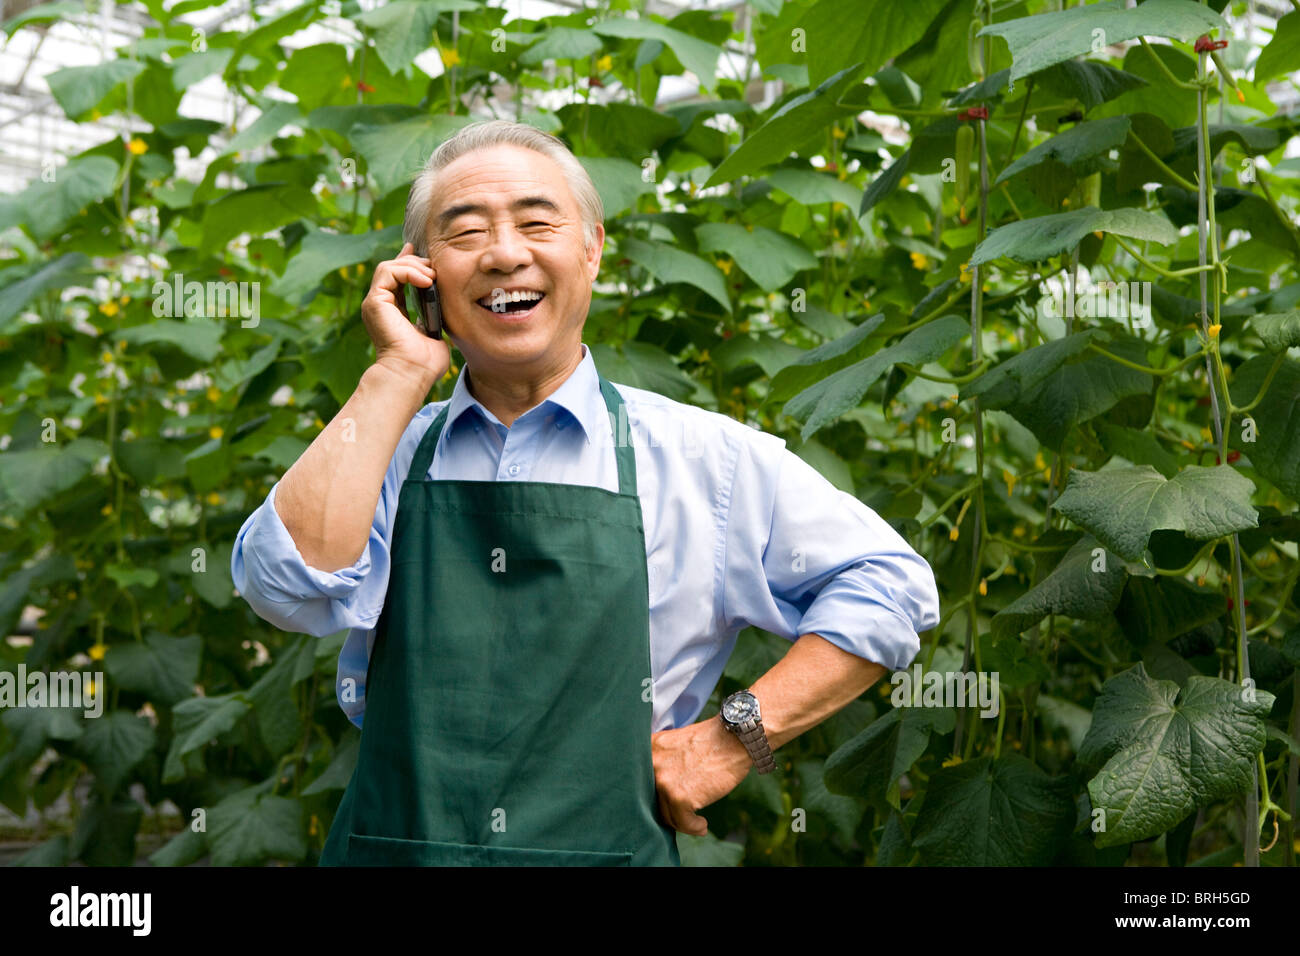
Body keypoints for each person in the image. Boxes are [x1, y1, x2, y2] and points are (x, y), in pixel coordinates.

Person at [231, 120, 940, 867]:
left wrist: (732, 741)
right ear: (422, 272)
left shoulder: (703, 460)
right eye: (465, 232)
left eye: (537, 223)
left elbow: (889, 585)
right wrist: (396, 376)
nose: (506, 253)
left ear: (593, 248)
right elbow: (280, 589)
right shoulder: (385, 450)